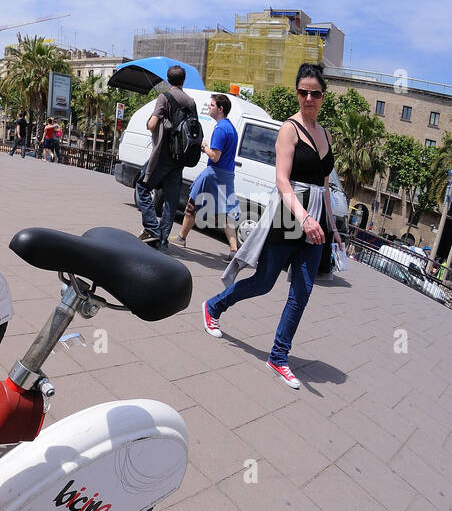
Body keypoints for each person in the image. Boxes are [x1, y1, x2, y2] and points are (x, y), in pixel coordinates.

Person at [201, 64, 342, 390]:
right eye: (303, 91)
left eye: (315, 93)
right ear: (297, 93)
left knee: (302, 291)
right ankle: (213, 306)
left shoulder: (326, 134)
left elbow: (325, 185)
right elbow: (282, 180)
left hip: (316, 219)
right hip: (290, 217)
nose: (309, 98)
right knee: (264, 282)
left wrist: (331, 227)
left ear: (323, 96)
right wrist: (304, 218)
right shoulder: (289, 129)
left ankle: (279, 356)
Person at [135, 64, 197, 252]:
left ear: (167, 79)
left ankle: (152, 229)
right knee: (171, 199)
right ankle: (161, 240)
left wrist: (150, 121)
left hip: (163, 155)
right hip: (180, 157)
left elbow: (153, 124)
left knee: (142, 187)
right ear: (183, 81)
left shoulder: (164, 97)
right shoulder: (191, 102)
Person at [174, 93, 240, 255]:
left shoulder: (220, 129)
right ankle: (234, 250)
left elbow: (215, 156)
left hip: (213, 174)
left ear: (220, 109)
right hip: (227, 174)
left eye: (211, 105)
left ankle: (181, 238)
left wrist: (202, 146)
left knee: (191, 205)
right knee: (226, 213)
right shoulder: (231, 128)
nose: (209, 108)